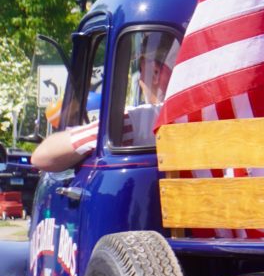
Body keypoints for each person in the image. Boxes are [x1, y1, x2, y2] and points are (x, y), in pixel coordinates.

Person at [32, 33, 178, 172]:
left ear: (155, 73)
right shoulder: (194, 118)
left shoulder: (145, 120)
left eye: (141, 70)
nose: (140, 80)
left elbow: (42, 156)